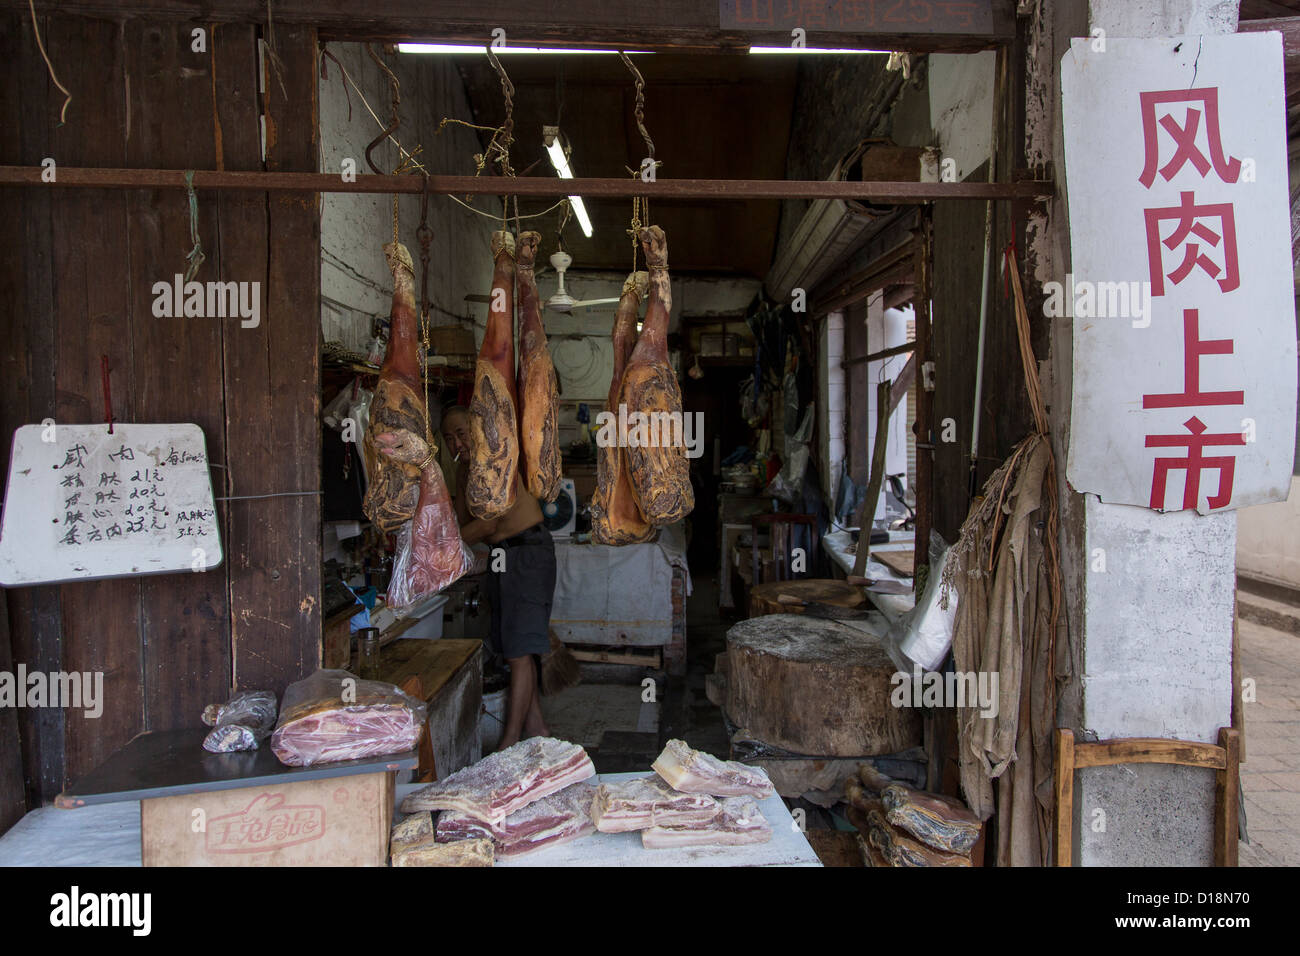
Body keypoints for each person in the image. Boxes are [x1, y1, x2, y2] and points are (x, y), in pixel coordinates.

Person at [440, 405, 555, 750]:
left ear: (476, 430)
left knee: (518, 652)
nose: (456, 443)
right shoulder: (465, 470)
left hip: (526, 552)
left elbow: (486, 524)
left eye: (461, 433)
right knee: (512, 646)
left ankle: (508, 744)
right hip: (503, 556)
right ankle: (537, 730)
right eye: (448, 439)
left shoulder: (492, 460)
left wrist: (444, 548)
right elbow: (463, 522)